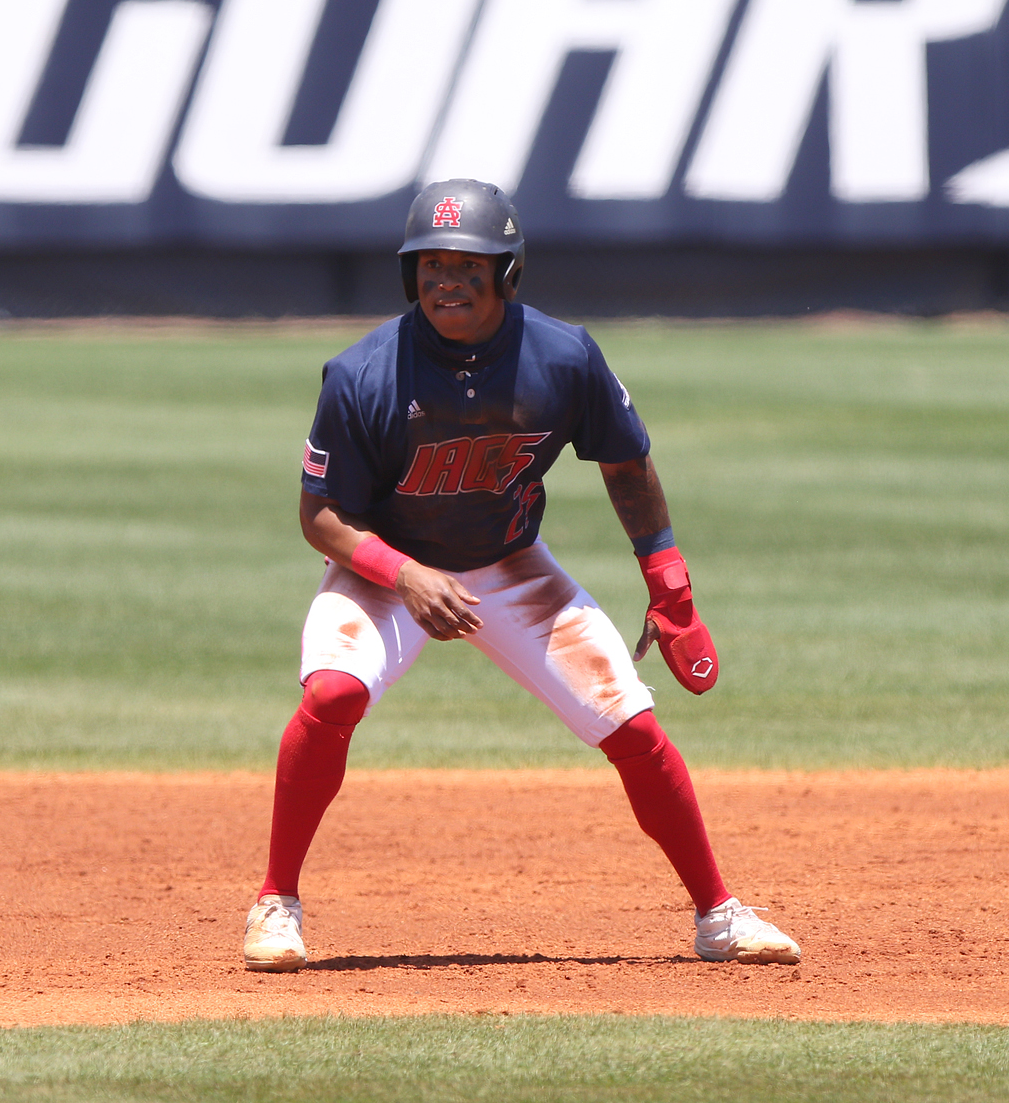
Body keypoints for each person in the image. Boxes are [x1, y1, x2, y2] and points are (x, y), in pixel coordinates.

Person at [242, 178, 800, 972]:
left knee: (634, 729)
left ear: (507, 273)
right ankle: (276, 902)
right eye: (430, 265)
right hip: (386, 573)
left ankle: (720, 916)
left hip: (510, 565)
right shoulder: (361, 374)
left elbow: (626, 462)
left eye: (468, 266)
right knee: (331, 694)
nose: (446, 281)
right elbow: (321, 519)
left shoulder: (563, 355)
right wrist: (404, 576)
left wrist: (668, 582)